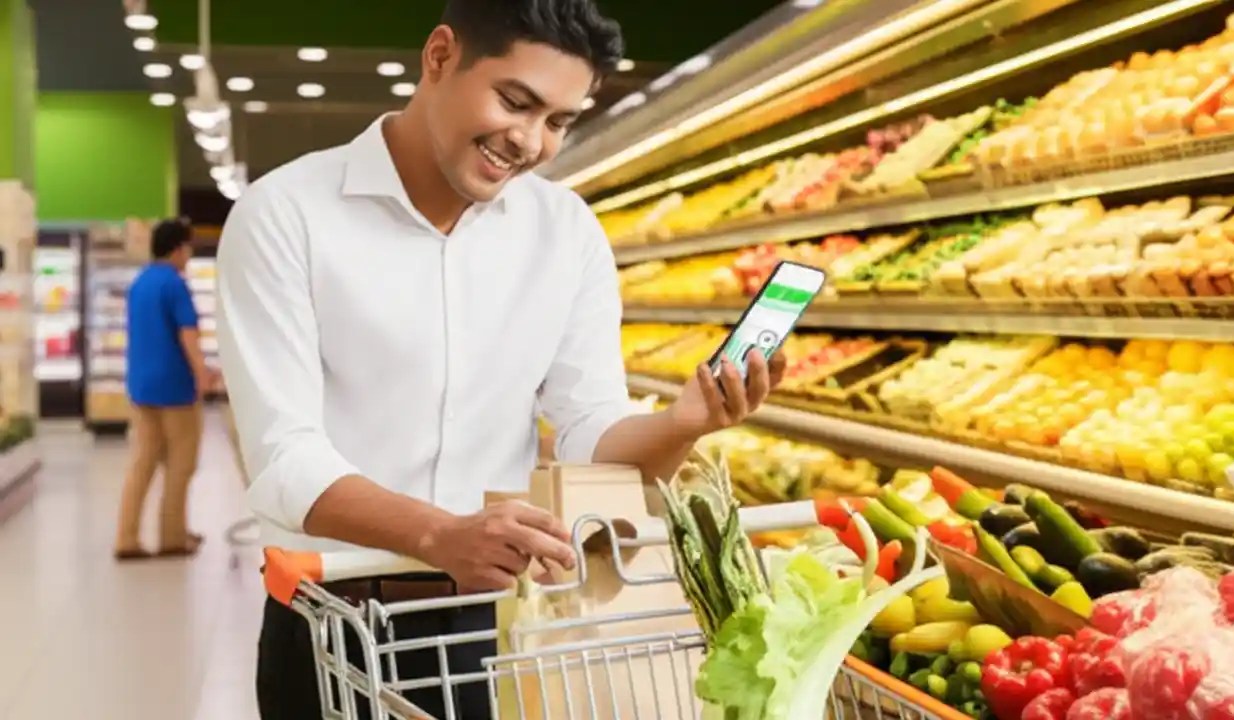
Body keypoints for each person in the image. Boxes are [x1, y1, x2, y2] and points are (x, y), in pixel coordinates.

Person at [215, 1, 786, 717]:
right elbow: (283, 458)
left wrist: (683, 423)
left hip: (491, 626)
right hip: (333, 623)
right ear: (440, 56)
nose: (530, 141)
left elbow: (590, 430)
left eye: (558, 121)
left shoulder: (565, 232)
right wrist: (438, 534)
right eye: (515, 102)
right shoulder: (286, 214)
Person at [114, 218, 212, 560]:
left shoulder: (140, 282)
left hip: (141, 386)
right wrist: (203, 374)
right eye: (188, 248)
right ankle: (172, 537)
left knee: (142, 462)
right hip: (175, 388)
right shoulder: (174, 284)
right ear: (178, 248)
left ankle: (126, 538)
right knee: (180, 464)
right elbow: (188, 335)